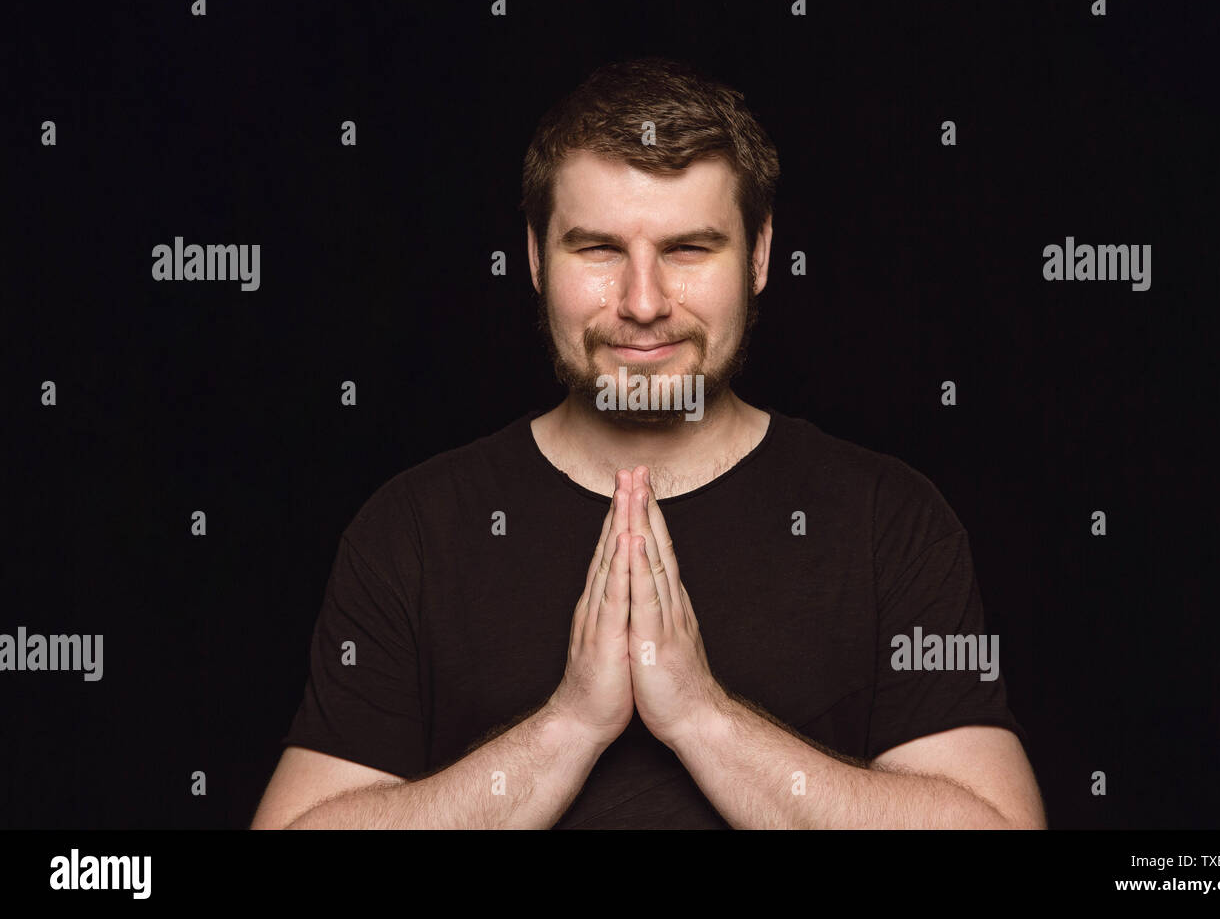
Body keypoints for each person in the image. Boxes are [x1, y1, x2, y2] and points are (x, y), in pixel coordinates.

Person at [250, 56, 1046, 829]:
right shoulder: (412, 529)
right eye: (597, 249)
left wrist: (703, 719)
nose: (641, 302)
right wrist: (568, 728)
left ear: (760, 255)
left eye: (688, 249)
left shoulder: (891, 520)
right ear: (534, 257)